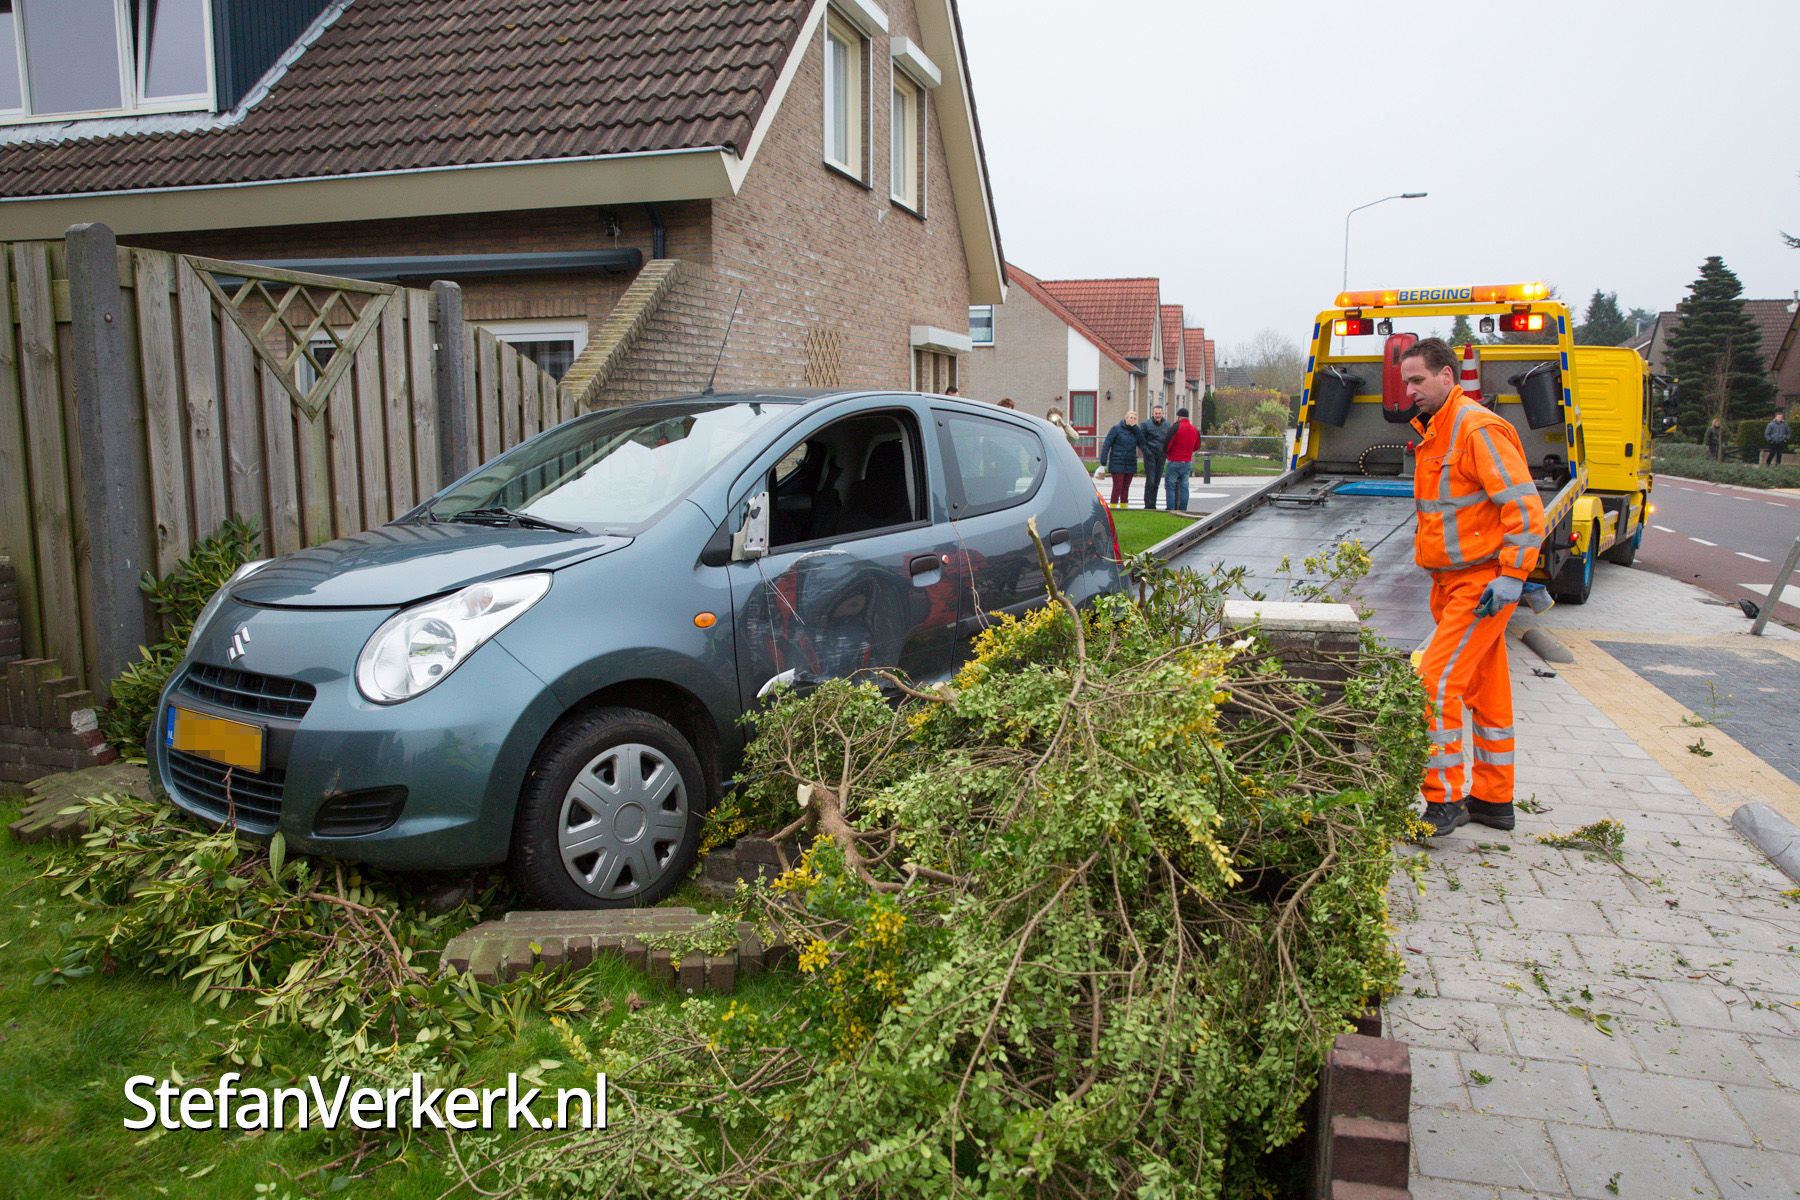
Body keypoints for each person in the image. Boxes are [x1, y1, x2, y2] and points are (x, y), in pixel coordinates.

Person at [1400, 338, 1547, 838]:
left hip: (1480, 586)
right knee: (1487, 690)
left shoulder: (1475, 429)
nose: (1411, 392)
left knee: (1434, 685)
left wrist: (1511, 576)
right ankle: (1492, 799)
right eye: (1407, 383)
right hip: (1455, 584)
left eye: (1418, 380)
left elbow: (1526, 509)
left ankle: (1444, 801)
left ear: (1448, 376)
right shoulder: (1437, 433)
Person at [1098, 411, 1142, 507]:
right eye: (1131, 418)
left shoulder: (1136, 431)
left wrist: (1136, 429)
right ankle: (1113, 505)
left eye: (1134, 418)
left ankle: (1124, 506)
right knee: (1117, 485)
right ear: (1126, 418)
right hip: (1117, 461)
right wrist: (1103, 461)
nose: (1132, 420)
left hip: (1130, 462)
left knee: (1126, 487)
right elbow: (1107, 444)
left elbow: (1142, 443)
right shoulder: (1116, 429)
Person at [1162, 407, 1200, 512]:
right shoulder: (1194, 429)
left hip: (1174, 460)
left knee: (1170, 485)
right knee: (1184, 486)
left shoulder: (1176, 427)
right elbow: (1197, 446)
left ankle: (1171, 508)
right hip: (1187, 461)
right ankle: (1183, 509)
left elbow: (1167, 445)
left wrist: (1167, 453)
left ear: (1178, 416)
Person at [1139, 404, 1172, 510]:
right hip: (1150, 456)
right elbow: (1141, 441)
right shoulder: (1146, 424)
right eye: (1156, 413)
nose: (1158, 415)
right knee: (1150, 481)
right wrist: (1147, 452)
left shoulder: (1167, 425)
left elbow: (1168, 440)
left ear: (1163, 414)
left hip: (1161, 456)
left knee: (1157, 481)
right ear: (1152, 414)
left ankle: (1153, 503)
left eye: (1159, 413)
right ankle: (1148, 504)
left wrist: (1166, 452)